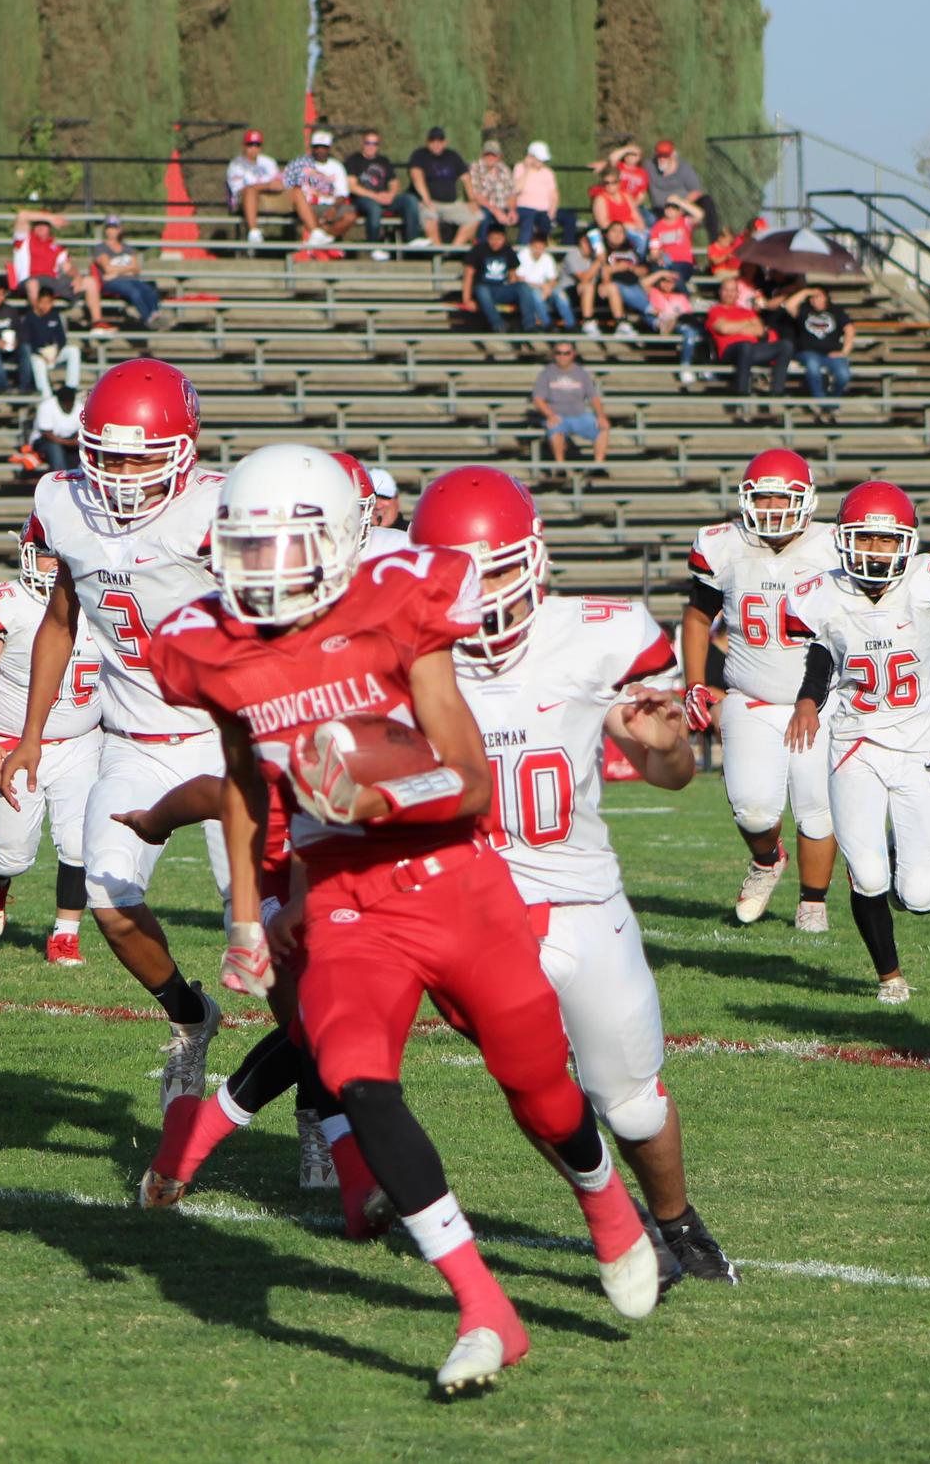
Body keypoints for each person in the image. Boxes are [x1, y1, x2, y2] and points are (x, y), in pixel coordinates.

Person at [144, 442, 658, 1394]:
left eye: (285, 548)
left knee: (542, 1091)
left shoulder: (398, 603)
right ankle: (484, 1307)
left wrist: (377, 795)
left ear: (343, 542)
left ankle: (605, 1204)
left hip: (454, 878)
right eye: (247, 550)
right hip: (345, 898)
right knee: (354, 1073)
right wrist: (250, 917)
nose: (263, 573)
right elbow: (248, 782)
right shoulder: (206, 643)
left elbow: (470, 779)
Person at [408, 464, 738, 1281]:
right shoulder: (398, 657)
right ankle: (621, 1221)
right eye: (461, 577)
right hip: (469, 911)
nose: (482, 597)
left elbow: (670, 773)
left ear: (534, 560)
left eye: (496, 573)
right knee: (537, 1088)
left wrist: (667, 744)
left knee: (633, 1100)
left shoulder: (602, 633)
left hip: (581, 893)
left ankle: (678, 1218)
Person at [0, 360, 233, 1117]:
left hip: (230, 739)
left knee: (265, 934)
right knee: (107, 895)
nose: (124, 475)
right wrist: (31, 735)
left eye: (142, 458)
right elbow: (62, 618)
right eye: (109, 456)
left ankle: (314, 1109)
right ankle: (189, 1019)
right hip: (134, 738)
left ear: (184, 450)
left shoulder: (220, 510)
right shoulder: (62, 501)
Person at [782, 482, 930, 1003]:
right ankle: (889, 976)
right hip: (857, 743)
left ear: (907, 541)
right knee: (867, 874)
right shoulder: (822, 594)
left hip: (922, 746)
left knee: (919, 896)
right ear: (845, 539)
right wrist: (807, 702)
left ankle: (900, 858)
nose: (875, 550)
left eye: (886, 539)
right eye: (865, 538)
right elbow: (820, 664)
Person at [680, 448, 840, 929]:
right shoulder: (724, 545)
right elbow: (698, 617)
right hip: (749, 696)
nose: (771, 508)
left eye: (781, 498)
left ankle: (813, 903)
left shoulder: (834, 547)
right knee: (752, 810)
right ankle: (768, 861)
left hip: (819, 700)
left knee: (816, 808)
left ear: (805, 500)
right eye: (764, 498)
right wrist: (695, 684)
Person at [0, 518, 102, 963]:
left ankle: (65, 936)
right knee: (14, 857)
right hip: (11, 743)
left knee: (79, 844)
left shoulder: (103, 602)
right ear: (27, 554)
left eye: (62, 555)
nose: (54, 565)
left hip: (80, 741)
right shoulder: (8, 603)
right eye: (47, 554)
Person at [532, 342, 610, 465]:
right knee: (556, 430)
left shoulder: (581, 373)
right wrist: (550, 415)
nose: (562, 356)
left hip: (579, 415)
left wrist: (601, 416)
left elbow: (594, 397)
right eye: (558, 353)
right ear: (554, 355)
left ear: (573, 354)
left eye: (566, 353)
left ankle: (598, 466)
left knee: (603, 428)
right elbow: (538, 399)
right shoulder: (546, 373)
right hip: (557, 415)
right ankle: (560, 466)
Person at [82, 217, 166, 331]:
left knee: (148, 289)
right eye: (109, 228)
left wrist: (117, 271)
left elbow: (136, 269)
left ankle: (155, 314)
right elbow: (107, 269)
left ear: (120, 230)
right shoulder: (101, 248)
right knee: (134, 292)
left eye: (114, 228)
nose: (111, 231)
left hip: (128, 279)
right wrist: (127, 269)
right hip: (111, 282)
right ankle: (148, 319)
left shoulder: (127, 248)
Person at [343, 130, 421, 251]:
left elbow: (394, 182)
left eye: (375, 143)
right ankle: (374, 247)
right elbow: (352, 186)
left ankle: (413, 239)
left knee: (410, 200)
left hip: (384, 198)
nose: (371, 146)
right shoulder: (354, 160)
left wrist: (390, 195)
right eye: (368, 143)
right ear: (362, 143)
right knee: (374, 208)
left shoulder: (383, 160)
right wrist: (375, 196)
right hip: (363, 200)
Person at [407, 126, 479, 247]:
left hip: (451, 204)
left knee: (476, 216)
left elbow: (466, 178)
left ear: (445, 142)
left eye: (439, 140)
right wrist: (426, 199)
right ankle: (437, 250)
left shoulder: (453, 156)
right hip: (429, 203)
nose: (436, 144)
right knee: (429, 215)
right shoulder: (419, 155)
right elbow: (416, 176)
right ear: (427, 142)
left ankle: (453, 250)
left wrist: (472, 200)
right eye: (432, 140)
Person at [282, 131, 357, 247]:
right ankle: (316, 233)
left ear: (329, 148)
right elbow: (288, 185)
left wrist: (334, 208)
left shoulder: (337, 166)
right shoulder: (301, 163)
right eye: (316, 147)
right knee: (296, 192)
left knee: (350, 216)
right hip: (308, 206)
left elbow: (342, 194)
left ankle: (323, 238)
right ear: (312, 148)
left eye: (323, 147)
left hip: (330, 204)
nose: (320, 151)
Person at [780, 283, 854, 400]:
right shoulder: (804, 310)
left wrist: (845, 351)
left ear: (826, 298)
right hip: (808, 352)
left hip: (832, 353)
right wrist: (806, 292)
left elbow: (849, 329)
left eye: (818, 297)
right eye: (812, 298)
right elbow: (789, 305)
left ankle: (834, 400)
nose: (814, 300)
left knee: (843, 375)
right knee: (812, 366)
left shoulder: (836, 311)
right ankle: (820, 400)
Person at [644, 138, 720, 243]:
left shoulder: (683, 167)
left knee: (707, 201)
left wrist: (681, 205)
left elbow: (696, 191)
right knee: (647, 216)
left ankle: (714, 242)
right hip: (661, 209)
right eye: (659, 156)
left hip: (682, 207)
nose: (662, 159)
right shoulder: (648, 166)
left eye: (665, 156)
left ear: (673, 155)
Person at [459, 225, 523, 332]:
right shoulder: (478, 250)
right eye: (492, 238)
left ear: (504, 239)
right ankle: (499, 325)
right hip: (482, 290)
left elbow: (513, 275)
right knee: (482, 289)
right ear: (488, 238)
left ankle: (529, 325)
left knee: (523, 287)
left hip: (501, 290)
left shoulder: (508, 251)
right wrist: (467, 299)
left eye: (499, 239)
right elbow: (468, 276)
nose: (495, 242)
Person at [19, 287, 80, 397]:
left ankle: (71, 388)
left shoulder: (54, 315)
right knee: (38, 363)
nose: (44, 306)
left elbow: (62, 339)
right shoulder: (29, 318)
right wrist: (42, 355)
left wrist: (56, 351)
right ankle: (46, 396)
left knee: (73, 351)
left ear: (52, 303)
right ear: (37, 302)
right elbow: (27, 342)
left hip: (53, 353)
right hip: (38, 355)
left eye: (48, 302)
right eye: (42, 302)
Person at [515, 231, 575, 330]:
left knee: (561, 294)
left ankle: (570, 324)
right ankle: (547, 324)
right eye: (536, 247)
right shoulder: (522, 255)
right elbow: (519, 279)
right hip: (529, 288)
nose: (538, 251)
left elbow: (553, 279)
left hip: (545, 287)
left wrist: (548, 288)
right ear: (531, 246)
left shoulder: (547, 258)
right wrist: (542, 286)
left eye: (541, 248)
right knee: (537, 295)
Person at [513, 141, 560, 247]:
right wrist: (527, 170)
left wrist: (552, 211)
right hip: (524, 208)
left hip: (544, 210)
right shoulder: (519, 168)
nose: (541, 163)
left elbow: (554, 194)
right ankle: (523, 247)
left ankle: (555, 248)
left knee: (569, 218)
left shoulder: (548, 172)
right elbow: (516, 189)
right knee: (529, 217)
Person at [469, 139, 520, 236]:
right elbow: (477, 195)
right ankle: (481, 244)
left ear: (499, 156)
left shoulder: (504, 169)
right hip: (485, 206)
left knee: (525, 215)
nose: (490, 157)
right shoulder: (475, 168)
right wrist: (496, 211)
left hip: (503, 206)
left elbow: (512, 193)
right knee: (483, 216)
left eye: (494, 155)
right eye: (487, 154)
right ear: (482, 155)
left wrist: (512, 210)